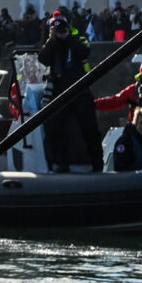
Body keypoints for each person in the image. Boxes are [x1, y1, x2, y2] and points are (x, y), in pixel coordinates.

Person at [36, 14, 101, 172]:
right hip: (59, 91)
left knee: (90, 128)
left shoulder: (78, 39)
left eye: (62, 28)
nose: (60, 32)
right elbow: (43, 59)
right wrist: (53, 39)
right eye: (57, 29)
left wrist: (68, 37)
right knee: (57, 129)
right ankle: (61, 163)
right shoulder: (51, 44)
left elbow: (84, 52)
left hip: (80, 88)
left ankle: (97, 163)